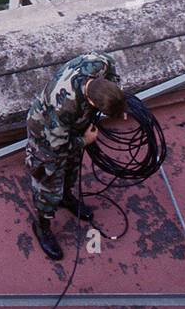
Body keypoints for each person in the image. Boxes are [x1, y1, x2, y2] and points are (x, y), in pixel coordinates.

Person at [25, 51, 126, 260]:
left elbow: (112, 71)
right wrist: (84, 141)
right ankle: (42, 225)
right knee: (50, 179)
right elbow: (57, 146)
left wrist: (118, 99)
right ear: (92, 102)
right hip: (46, 133)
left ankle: (66, 197)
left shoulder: (100, 64)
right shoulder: (63, 106)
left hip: (73, 125)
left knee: (72, 165)